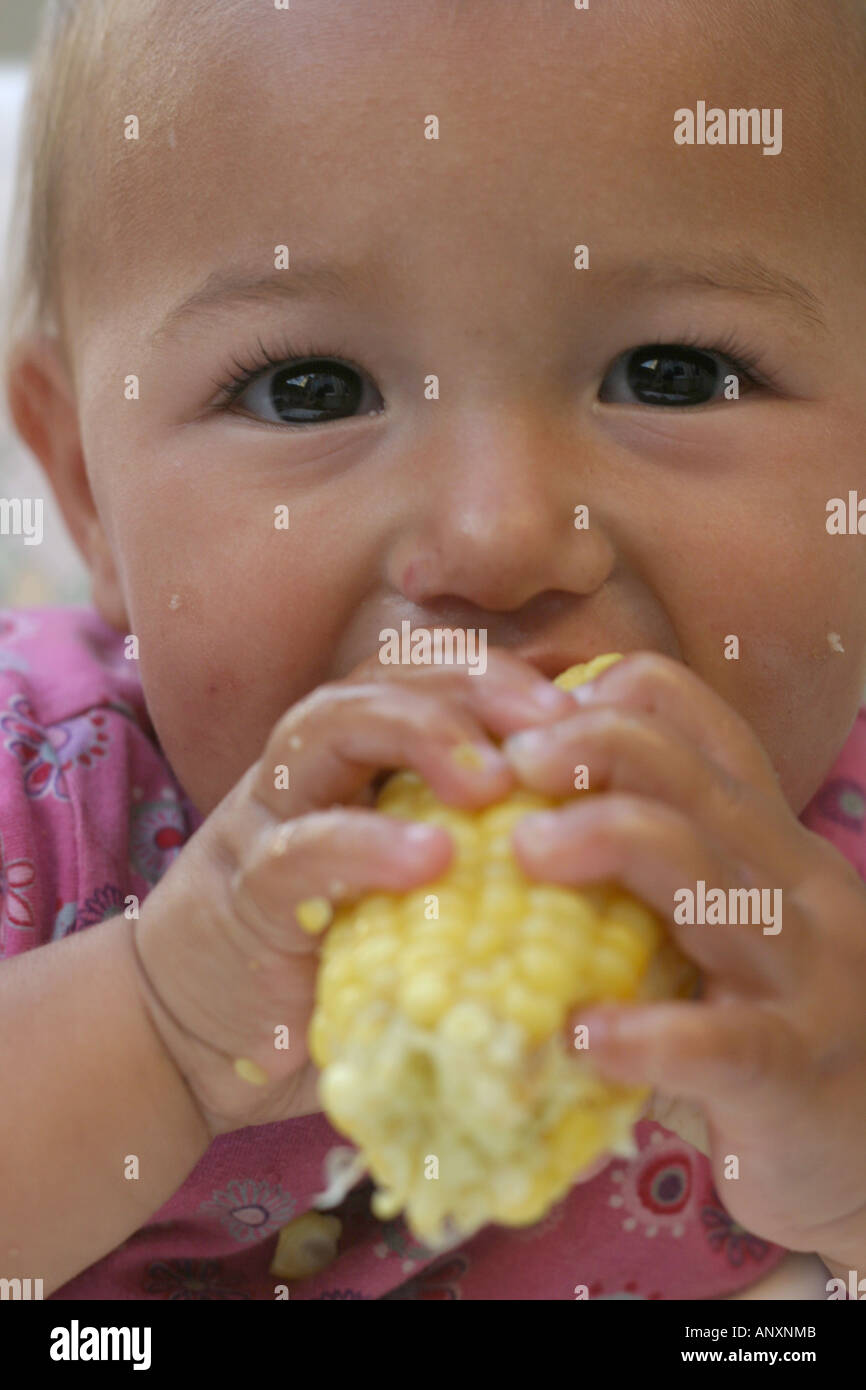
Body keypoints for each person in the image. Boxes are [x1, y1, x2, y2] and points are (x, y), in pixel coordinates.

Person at [1, 0, 864, 1300]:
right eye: (311, 390)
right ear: (83, 488)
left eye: (673, 372)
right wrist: (158, 1027)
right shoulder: (37, 802)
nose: (497, 538)